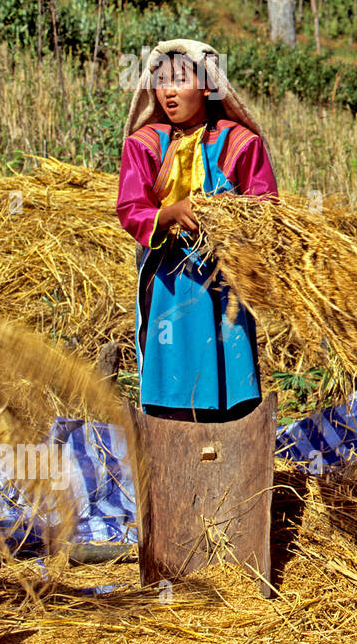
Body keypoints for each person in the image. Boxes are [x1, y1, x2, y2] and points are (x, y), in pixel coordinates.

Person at [116, 39, 277, 422]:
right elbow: (130, 207)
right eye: (161, 81)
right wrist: (168, 213)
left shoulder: (239, 143)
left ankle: (231, 429)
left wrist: (229, 223)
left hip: (224, 280)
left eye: (180, 79)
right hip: (168, 282)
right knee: (170, 361)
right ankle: (166, 429)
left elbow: (265, 206)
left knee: (227, 356)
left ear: (207, 85)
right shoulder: (144, 145)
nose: (168, 90)